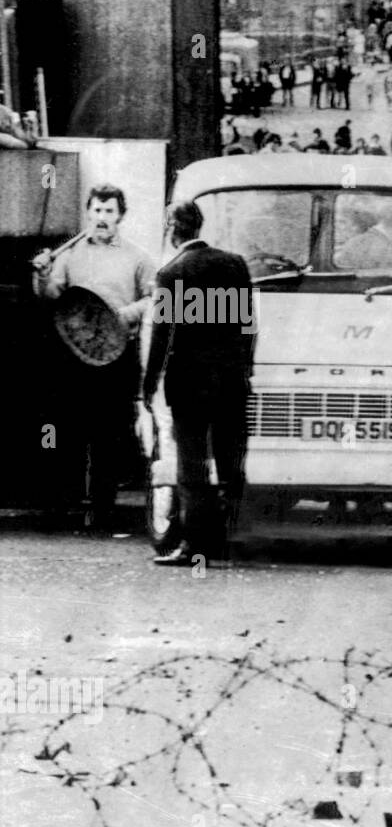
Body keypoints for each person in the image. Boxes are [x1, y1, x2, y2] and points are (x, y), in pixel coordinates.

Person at [33, 184, 156, 531]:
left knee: (108, 436)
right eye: (97, 211)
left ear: (120, 216)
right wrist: (43, 272)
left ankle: (102, 511)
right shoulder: (70, 255)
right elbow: (51, 296)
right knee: (65, 432)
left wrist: (124, 315)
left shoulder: (138, 257)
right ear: (89, 212)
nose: (102, 218)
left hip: (115, 357)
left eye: (109, 212)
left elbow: (156, 298)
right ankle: (62, 508)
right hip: (73, 355)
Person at [144, 200, 257, 565]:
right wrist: (245, 368)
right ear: (200, 226)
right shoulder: (234, 265)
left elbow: (163, 337)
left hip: (189, 383)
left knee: (192, 466)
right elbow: (247, 325)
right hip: (230, 380)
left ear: (171, 228)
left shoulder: (171, 273)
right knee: (231, 462)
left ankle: (195, 546)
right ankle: (234, 540)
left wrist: (148, 386)